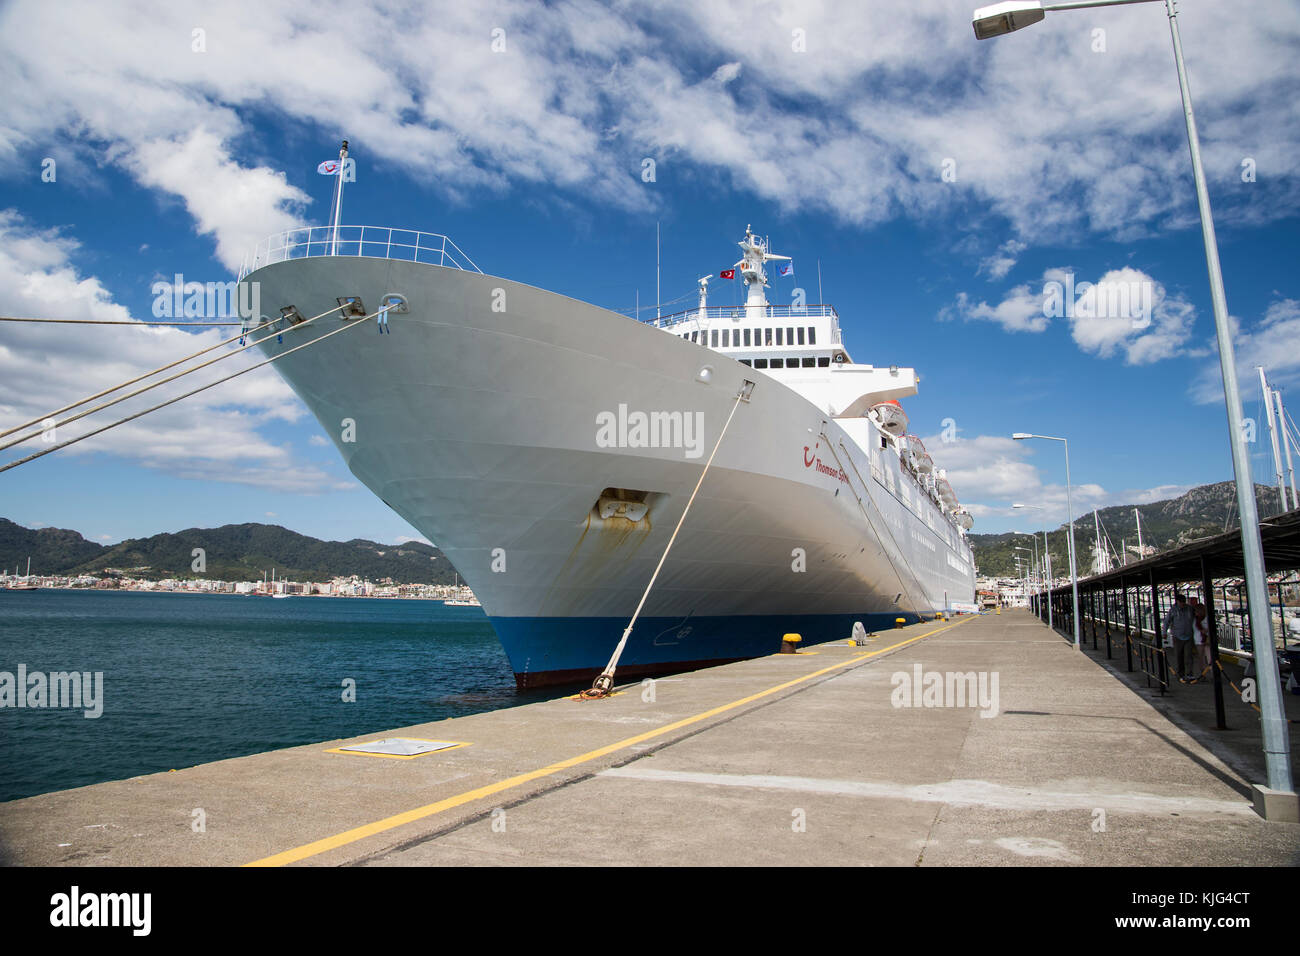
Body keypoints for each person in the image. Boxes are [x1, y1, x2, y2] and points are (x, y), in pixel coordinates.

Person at [1162, 592, 1196, 683]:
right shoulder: (1173, 610)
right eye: (1181, 602)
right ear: (1177, 602)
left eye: (1184, 602)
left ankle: (1189, 673)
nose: (1183, 604)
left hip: (1188, 636)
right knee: (1178, 656)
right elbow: (1166, 622)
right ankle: (1180, 674)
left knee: (1188, 656)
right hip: (1177, 637)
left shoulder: (1189, 609)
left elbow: (1196, 617)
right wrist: (1164, 632)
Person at [1191, 604, 1211, 683]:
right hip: (1199, 640)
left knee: (1209, 658)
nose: (1195, 613)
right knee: (1201, 658)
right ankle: (1203, 674)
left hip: (1207, 640)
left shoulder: (1205, 619)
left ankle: (1210, 673)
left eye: (1196, 611)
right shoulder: (1195, 620)